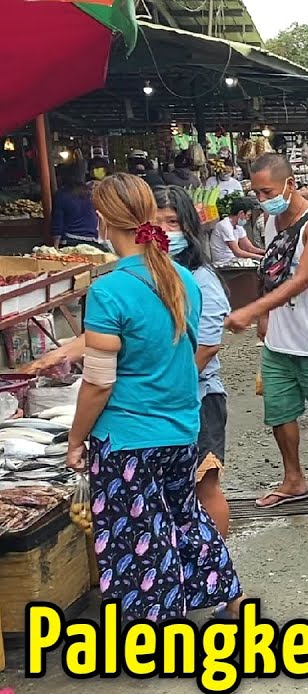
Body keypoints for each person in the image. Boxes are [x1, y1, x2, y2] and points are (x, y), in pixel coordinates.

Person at [69, 173, 244, 622]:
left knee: (138, 537)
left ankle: (156, 632)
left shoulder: (109, 290)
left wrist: (75, 440)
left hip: (127, 434)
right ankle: (225, 595)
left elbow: (99, 380)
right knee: (183, 518)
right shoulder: (182, 278)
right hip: (180, 426)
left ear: (103, 222)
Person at [226, 153, 308, 513]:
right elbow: (273, 271)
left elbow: (301, 279)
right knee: (280, 412)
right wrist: (266, 318)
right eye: (257, 192)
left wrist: (252, 312)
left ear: (290, 183)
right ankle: (293, 478)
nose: (263, 199)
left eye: (268, 191)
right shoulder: (271, 223)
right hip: (280, 339)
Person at [154, 186, 234, 538]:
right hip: (164, 401)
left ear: (188, 227)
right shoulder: (153, 276)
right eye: (155, 222)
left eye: (171, 222)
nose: (163, 231)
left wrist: (173, 386)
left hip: (198, 398)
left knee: (205, 487)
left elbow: (207, 347)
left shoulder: (201, 279)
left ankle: (218, 573)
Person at [51, 165, 101, 250]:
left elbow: (58, 223)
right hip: (93, 241)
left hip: (71, 241)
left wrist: (55, 247)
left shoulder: (61, 194)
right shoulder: (90, 193)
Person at [209, 196, 265, 265]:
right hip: (223, 263)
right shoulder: (224, 225)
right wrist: (259, 257)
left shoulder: (238, 226)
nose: (248, 219)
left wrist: (266, 252)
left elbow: (249, 248)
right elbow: (237, 252)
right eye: (248, 215)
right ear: (241, 213)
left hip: (233, 260)